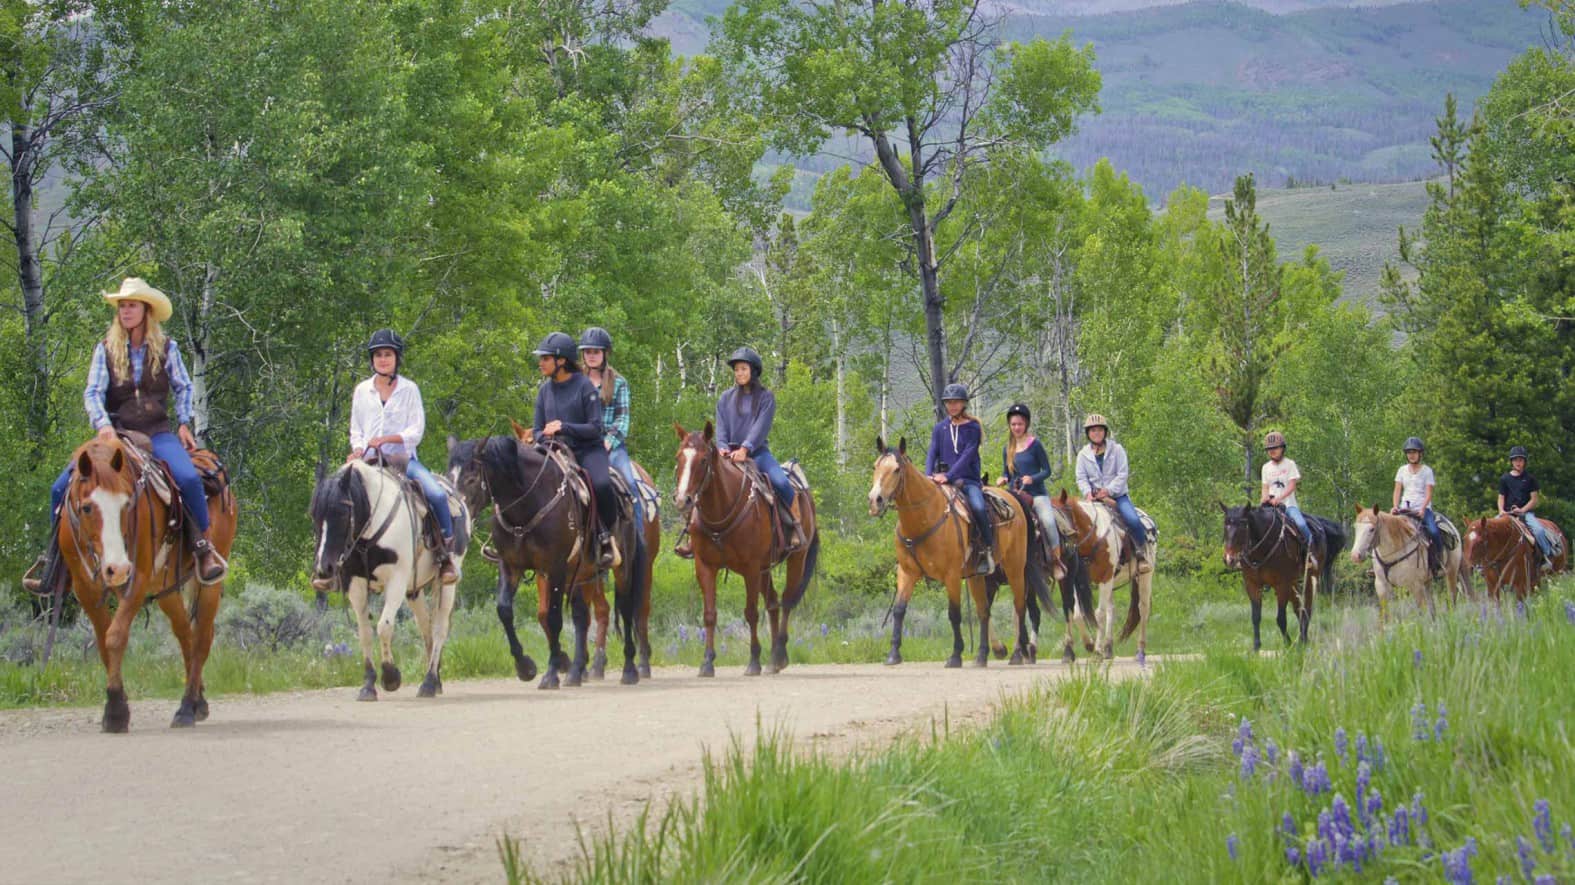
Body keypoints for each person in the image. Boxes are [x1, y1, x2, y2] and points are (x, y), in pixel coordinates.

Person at [22, 277, 227, 593]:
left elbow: (184, 386)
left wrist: (184, 423)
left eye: (131, 305)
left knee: (186, 478)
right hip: (115, 435)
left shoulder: (167, 348)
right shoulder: (105, 350)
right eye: (122, 306)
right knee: (59, 488)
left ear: (146, 310)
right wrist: (103, 424)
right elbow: (92, 392)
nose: (125, 311)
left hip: (157, 433)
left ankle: (203, 548)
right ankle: (57, 564)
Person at [344, 329, 459, 585]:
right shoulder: (362, 391)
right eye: (378, 355)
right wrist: (359, 449)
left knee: (437, 494)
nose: (383, 359)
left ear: (397, 358)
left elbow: (415, 431)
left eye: (388, 354)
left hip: (402, 461)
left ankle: (445, 556)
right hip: (369, 462)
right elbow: (357, 430)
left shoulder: (409, 389)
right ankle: (335, 559)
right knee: (335, 495)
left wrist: (387, 439)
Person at [532, 331, 617, 567]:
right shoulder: (544, 391)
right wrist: (544, 437)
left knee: (601, 484)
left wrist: (564, 427)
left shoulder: (584, 387)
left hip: (588, 450)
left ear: (561, 361)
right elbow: (537, 430)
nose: (541, 363)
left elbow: (596, 428)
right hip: (554, 453)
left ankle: (606, 536)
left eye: (546, 358)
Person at [713, 346, 803, 552]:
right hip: (729, 455)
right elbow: (720, 425)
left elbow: (760, 427)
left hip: (757, 454)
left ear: (753, 371)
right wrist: (722, 447)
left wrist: (745, 448)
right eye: (736, 370)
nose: (739, 373)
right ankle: (696, 536)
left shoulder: (765, 397)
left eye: (743, 369)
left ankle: (796, 525)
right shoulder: (725, 398)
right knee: (703, 481)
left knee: (781, 481)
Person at [927, 383, 994, 575]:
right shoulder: (940, 428)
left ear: (964, 404)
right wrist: (928, 475)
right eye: (949, 403)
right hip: (943, 481)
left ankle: (986, 549)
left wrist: (948, 475)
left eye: (956, 402)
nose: (952, 406)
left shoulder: (973, 428)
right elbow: (932, 452)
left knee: (979, 508)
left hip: (968, 480)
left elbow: (967, 456)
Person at [579, 327, 642, 527]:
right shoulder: (575, 382)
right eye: (588, 352)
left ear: (605, 353)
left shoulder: (619, 383)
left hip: (611, 447)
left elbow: (622, 420)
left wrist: (608, 441)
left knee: (631, 485)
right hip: (580, 444)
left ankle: (639, 538)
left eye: (596, 352)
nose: (591, 356)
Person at [998, 403, 1064, 580]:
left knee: (1048, 522)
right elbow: (1007, 471)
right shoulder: (1007, 448)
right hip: (1015, 494)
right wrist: (1003, 478)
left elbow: (1047, 470)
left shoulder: (1035, 445)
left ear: (1026, 424)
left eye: (1019, 424)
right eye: (1013, 424)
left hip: (1036, 494)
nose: (1016, 427)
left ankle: (1056, 561)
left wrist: (1032, 478)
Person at [1074, 413, 1148, 562]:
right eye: (1093, 430)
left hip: (1118, 496)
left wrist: (1108, 490)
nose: (1096, 433)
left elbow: (1122, 474)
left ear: (1105, 432)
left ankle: (1141, 550)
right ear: (1088, 433)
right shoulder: (1083, 455)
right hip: (1094, 498)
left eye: (1099, 430)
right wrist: (1088, 492)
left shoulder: (1117, 450)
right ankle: (1081, 558)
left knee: (1133, 520)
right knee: (1077, 524)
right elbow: (1081, 478)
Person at [1498, 445, 1555, 572]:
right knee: (1489, 529)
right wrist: (1501, 510)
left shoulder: (1530, 479)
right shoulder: (1504, 479)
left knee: (1539, 530)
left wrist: (1522, 510)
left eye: (1521, 460)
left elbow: (1534, 499)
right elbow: (1501, 497)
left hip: (1525, 513)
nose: (1518, 462)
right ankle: (1485, 563)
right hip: (1508, 513)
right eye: (1516, 460)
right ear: (1512, 462)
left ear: (1524, 462)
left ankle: (1546, 556)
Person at [1260, 430, 1314, 563]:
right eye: (1269, 449)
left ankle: (1310, 552)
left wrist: (1279, 498)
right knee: (1254, 524)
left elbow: (1291, 486)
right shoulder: (1265, 467)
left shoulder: (1290, 464)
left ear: (1282, 448)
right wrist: (1264, 498)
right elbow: (1265, 487)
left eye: (1275, 448)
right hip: (1270, 507)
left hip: (1288, 505)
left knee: (1301, 525)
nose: (1272, 451)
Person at [1391, 436, 1441, 575]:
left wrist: (1423, 508)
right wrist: (1395, 506)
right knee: (1384, 529)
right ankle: (1381, 564)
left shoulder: (1427, 471)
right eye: (1409, 452)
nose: (1411, 455)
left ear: (1420, 453)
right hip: (1404, 509)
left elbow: (1429, 493)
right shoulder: (1402, 470)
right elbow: (1397, 490)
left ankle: (1438, 560)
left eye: (1414, 452)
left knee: (1434, 531)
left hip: (1422, 510)